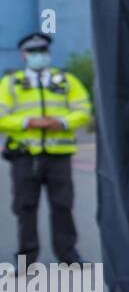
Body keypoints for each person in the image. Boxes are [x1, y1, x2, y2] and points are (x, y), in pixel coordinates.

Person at [0, 33, 93, 268]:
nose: (38, 56)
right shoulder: (10, 83)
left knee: (62, 205)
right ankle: (26, 258)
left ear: (48, 54)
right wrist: (27, 122)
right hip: (24, 155)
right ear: (23, 56)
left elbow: (83, 109)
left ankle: (68, 255)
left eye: (42, 52)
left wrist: (60, 122)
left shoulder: (65, 81)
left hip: (58, 155)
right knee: (25, 206)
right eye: (32, 53)